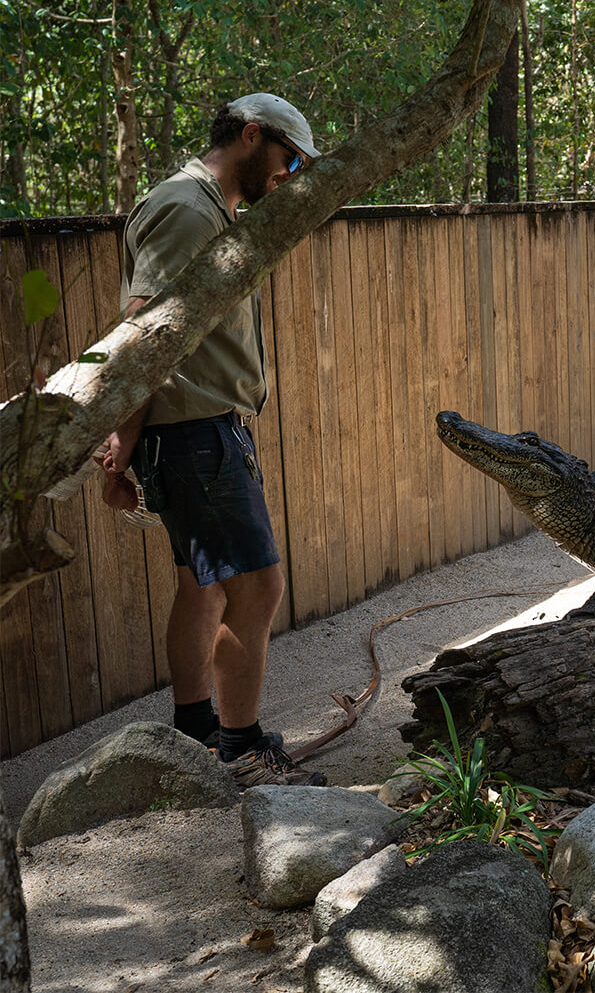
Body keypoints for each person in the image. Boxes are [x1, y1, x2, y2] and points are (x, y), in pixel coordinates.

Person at [99, 94, 325, 788]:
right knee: (258, 586)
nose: (289, 173)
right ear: (251, 135)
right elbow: (145, 328)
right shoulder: (187, 207)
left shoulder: (213, 209)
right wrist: (120, 445)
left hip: (196, 427)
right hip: (193, 431)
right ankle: (241, 746)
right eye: (287, 157)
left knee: (203, 587)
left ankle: (194, 729)